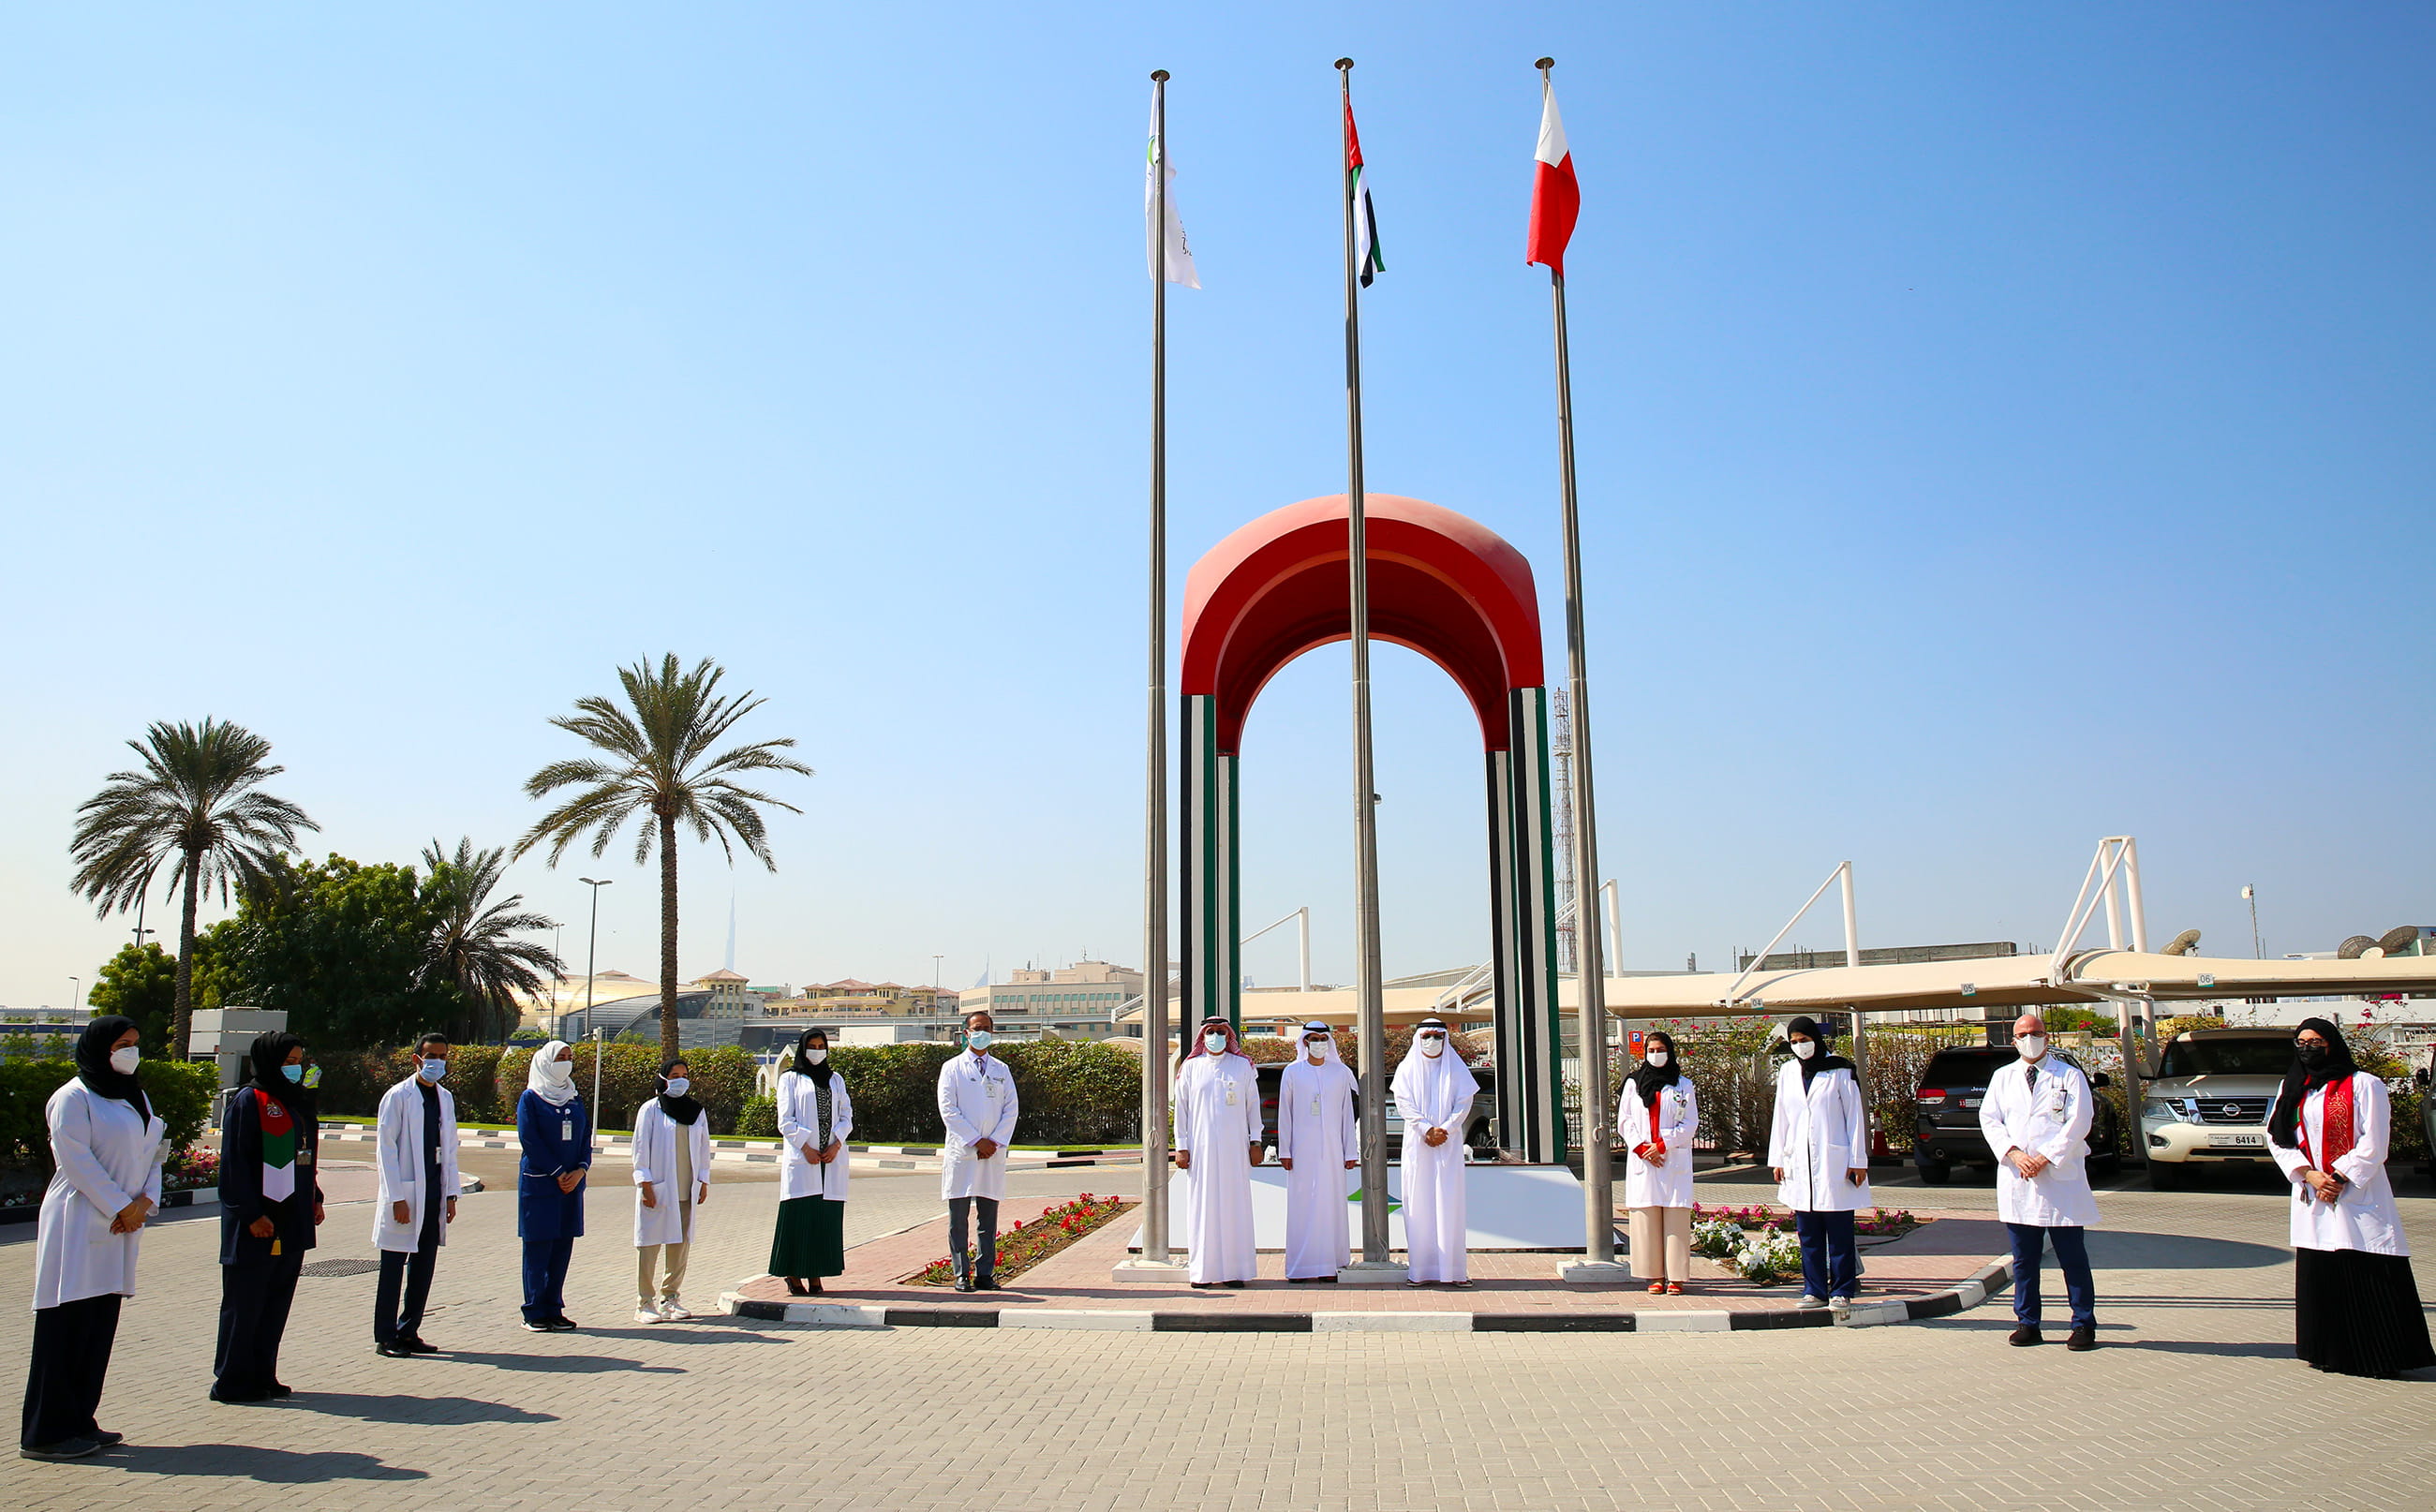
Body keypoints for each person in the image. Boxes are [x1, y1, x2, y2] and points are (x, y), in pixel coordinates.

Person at [20, 1015, 164, 1460]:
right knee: (65, 1325)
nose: (131, 1052)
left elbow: (153, 1154)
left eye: (135, 1043)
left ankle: (81, 1420)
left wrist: (144, 1203)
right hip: (80, 1220)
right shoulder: (72, 1097)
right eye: (122, 1044)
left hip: (124, 1222)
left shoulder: (136, 1095)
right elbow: (76, 1160)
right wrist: (121, 1206)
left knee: (97, 1328)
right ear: (99, 1048)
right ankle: (46, 1433)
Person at [2267, 1016, 2435, 1378]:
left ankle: (2379, 1357)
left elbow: (2375, 1142)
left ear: (2332, 1044)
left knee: (2366, 1269)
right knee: (2323, 1274)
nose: (2308, 1049)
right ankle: (2329, 1353)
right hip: (2312, 1192)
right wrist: (2309, 1174)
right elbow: (2277, 1136)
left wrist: (2339, 1176)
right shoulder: (2293, 1087)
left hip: (2357, 1193)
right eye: (2301, 1043)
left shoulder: (2364, 1084)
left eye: (2316, 1042)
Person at [213, 1030, 326, 1401]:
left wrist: (315, 1197)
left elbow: (303, 1157)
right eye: (288, 1062)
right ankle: (232, 1381)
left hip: (291, 1220)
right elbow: (235, 1167)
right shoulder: (249, 1101)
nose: (295, 1068)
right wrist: (251, 1214)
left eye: (298, 1062)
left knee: (275, 1304)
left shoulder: (294, 1101)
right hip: (257, 1224)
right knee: (245, 1305)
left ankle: (263, 1374)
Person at [1978, 1013, 2100, 1350]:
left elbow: (2079, 1121)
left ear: (2047, 1037)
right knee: (2024, 1261)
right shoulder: (2003, 1077)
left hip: (2060, 1177)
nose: (2030, 1039)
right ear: (2014, 1040)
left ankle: (2083, 1324)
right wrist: (2015, 1154)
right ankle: (2028, 1323)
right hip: (2019, 1177)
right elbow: (1989, 1120)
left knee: (2073, 1259)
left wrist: (2045, 1157)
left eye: (2036, 1033)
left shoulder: (2069, 1076)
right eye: (2023, 1034)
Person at [1767, 1015, 1870, 1311]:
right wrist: (1778, 1158)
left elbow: (1854, 1116)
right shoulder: (1787, 1071)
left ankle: (1842, 1290)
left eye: (1805, 1040)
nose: (1800, 1046)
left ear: (1817, 1038)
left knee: (1839, 1233)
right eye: (1794, 1042)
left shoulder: (1840, 1069)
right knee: (1808, 1233)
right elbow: (1781, 1116)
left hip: (1834, 1161)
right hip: (1798, 1163)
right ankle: (1814, 1290)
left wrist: (1857, 1160)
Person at [372, 1031, 459, 1357]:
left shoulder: (444, 1098)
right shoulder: (398, 1096)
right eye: (431, 1056)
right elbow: (385, 1150)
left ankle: (409, 1330)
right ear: (417, 1059)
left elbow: (450, 1150)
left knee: (423, 1267)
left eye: (443, 1056)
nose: (437, 1062)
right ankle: (386, 1336)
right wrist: (396, 1198)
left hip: (433, 1194)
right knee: (393, 1268)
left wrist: (451, 1195)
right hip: (405, 1196)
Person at [1174, 1017, 1264, 1288]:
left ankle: (1235, 1272)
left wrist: (1256, 1142)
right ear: (1203, 1036)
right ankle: (1203, 1272)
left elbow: (1252, 1106)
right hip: (1200, 1150)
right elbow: (1181, 1110)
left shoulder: (1242, 1066)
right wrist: (1181, 1146)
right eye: (1210, 1032)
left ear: (1229, 1035)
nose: (1216, 1036)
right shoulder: (1191, 1067)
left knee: (1235, 1207)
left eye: (1221, 1032)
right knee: (1203, 1208)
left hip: (1235, 1150)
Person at [937, 1011, 1017, 1292]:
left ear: (992, 1033)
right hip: (964, 1152)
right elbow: (948, 1109)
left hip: (992, 1153)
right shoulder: (952, 1068)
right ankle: (961, 1273)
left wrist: (994, 1141)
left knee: (988, 1219)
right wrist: (975, 1140)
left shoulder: (1001, 1070)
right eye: (976, 1028)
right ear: (966, 1033)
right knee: (958, 1219)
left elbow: (1011, 1109)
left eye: (986, 1028)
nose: (981, 1033)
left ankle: (985, 1274)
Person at [770, 1029, 852, 1296]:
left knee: (822, 1220)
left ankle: (816, 1274)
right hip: (804, 1160)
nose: (817, 1051)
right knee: (799, 1218)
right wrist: (806, 1148)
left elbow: (846, 1115)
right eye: (812, 1047)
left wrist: (836, 1144)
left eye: (821, 1046)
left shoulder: (836, 1079)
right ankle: (793, 1274)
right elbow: (786, 1120)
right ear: (803, 1049)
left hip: (831, 1160)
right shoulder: (790, 1079)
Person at [1393, 1018, 1474, 1288]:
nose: (1432, 1041)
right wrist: (1426, 1129)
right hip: (1418, 1145)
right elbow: (1404, 1104)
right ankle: (1420, 1271)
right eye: (1426, 1036)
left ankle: (1454, 1271)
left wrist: (1446, 1130)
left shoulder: (1457, 1069)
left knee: (1449, 1204)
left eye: (1437, 1036)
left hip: (1448, 1146)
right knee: (1418, 1204)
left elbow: (1464, 1103)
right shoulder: (1406, 1069)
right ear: (1418, 1038)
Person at [514, 1040, 588, 1332]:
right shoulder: (531, 1098)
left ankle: (554, 1308)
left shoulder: (573, 1097)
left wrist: (581, 1170)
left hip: (571, 1187)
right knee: (538, 1247)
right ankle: (534, 1311)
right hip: (541, 1185)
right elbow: (530, 1140)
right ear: (545, 1062)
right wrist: (557, 1172)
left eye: (569, 1057)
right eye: (560, 1057)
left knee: (561, 1248)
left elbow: (585, 1138)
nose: (565, 1062)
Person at [1276, 1021, 1359, 1283]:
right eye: (1314, 1039)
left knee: (1332, 1204)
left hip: (1333, 1151)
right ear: (1305, 1042)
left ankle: (1331, 1266)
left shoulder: (1340, 1072)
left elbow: (1347, 1113)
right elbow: (1285, 1113)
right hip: (1301, 1151)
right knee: (1303, 1205)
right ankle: (1301, 1267)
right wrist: (1285, 1149)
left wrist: (1350, 1151)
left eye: (1323, 1039)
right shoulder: (1292, 1072)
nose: (1319, 1044)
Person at [1619, 1030, 1700, 1296]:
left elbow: (1690, 1122)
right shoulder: (1633, 1084)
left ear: (1670, 1052)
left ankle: (1676, 1277)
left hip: (1672, 1158)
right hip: (1644, 1161)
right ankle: (1653, 1275)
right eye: (1651, 1050)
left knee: (1675, 1218)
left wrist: (1663, 1145)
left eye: (1661, 1050)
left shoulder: (1683, 1085)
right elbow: (1625, 1121)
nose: (1656, 1055)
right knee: (1646, 1217)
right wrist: (1643, 1149)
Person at [632, 1060, 713, 1322]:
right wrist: (645, 1184)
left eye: (685, 1075)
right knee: (649, 1245)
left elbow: (703, 1148)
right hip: (658, 1188)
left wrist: (703, 1181)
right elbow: (640, 1149)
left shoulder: (695, 1111)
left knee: (680, 1245)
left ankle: (670, 1298)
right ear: (664, 1079)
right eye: (675, 1075)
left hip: (686, 1189)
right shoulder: (651, 1110)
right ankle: (645, 1303)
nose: (681, 1080)